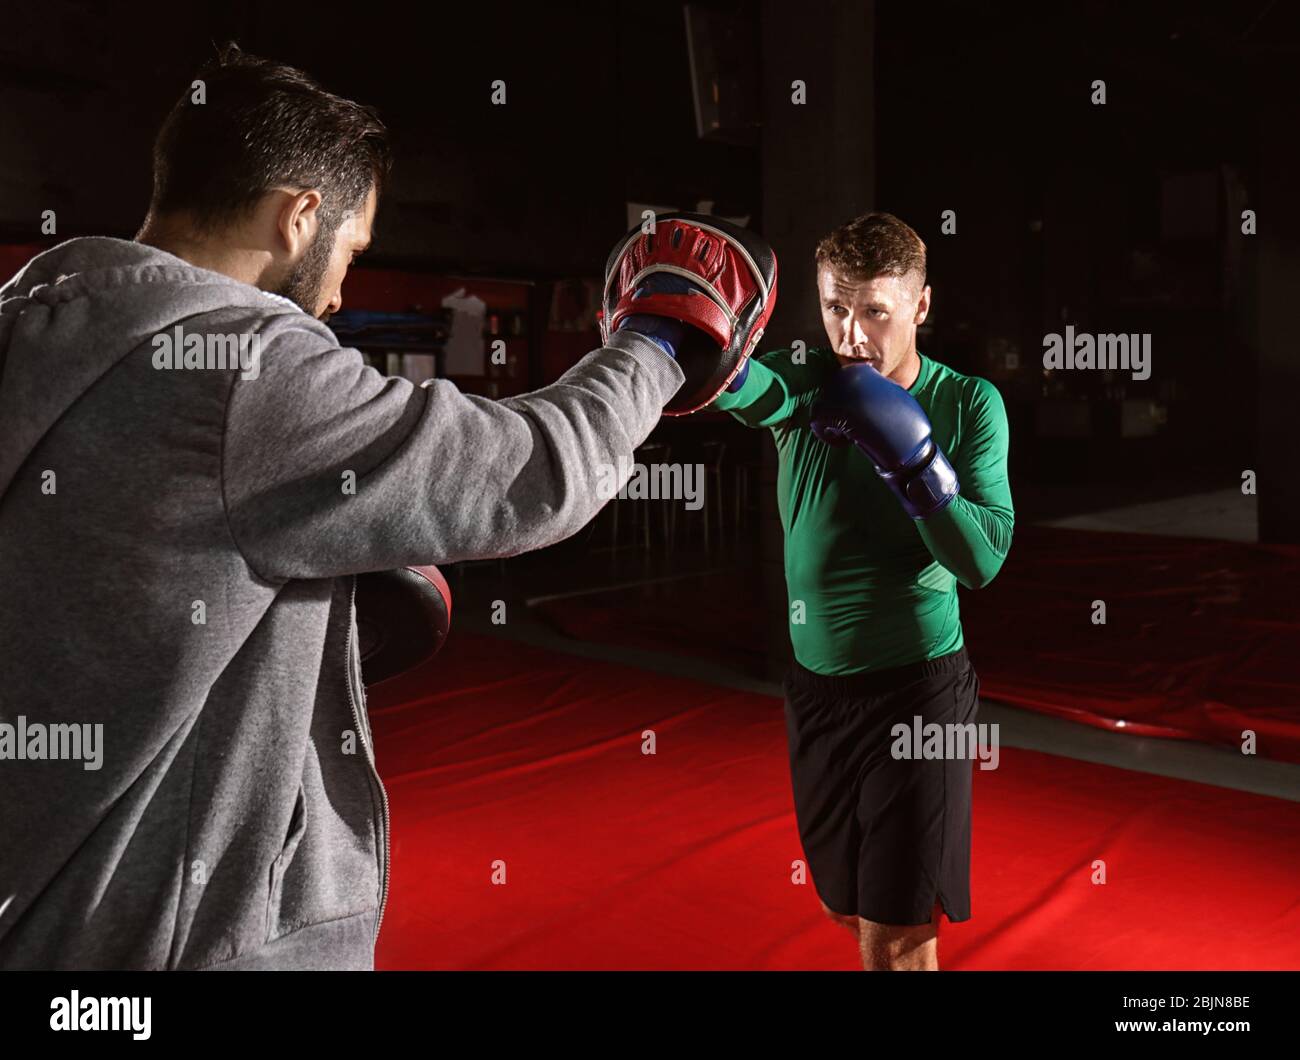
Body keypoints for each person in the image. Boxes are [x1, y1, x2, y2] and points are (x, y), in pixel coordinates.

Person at [0, 44, 718, 970]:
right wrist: (659, 339)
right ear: (300, 217)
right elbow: (532, 471)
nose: (339, 293)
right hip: (188, 944)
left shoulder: (28, 328)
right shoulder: (244, 371)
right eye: (351, 251)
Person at [712, 212, 1014, 970]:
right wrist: (684, 343)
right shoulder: (812, 378)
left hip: (920, 694)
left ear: (920, 305)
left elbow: (981, 563)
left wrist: (916, 466)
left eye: (875, 311)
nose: (851, 333)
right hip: (817, 694)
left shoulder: (969, 403)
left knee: (898, 935)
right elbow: (740, 388)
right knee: (844, 905)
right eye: (836, 307)